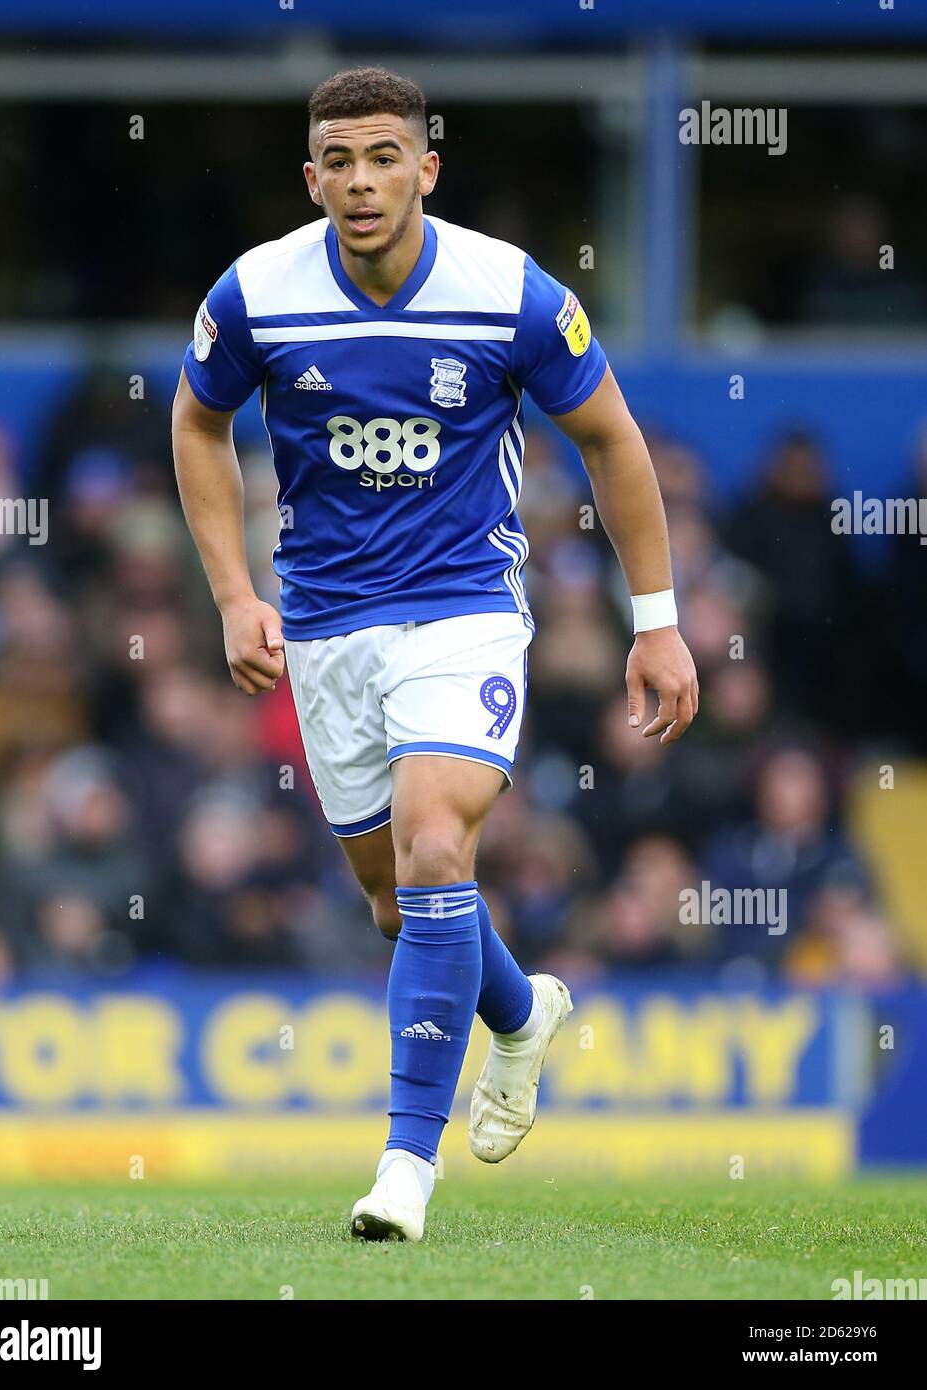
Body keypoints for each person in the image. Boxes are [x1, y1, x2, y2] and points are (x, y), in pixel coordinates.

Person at [172, 66, 698, 1241]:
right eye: (338, 164)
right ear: (311, 180)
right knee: (397, 902)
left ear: (425, 167)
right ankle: (519, 1013)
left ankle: (405, 1165)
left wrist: (654, 618)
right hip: (322, 626)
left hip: (462, 610)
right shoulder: (257, 292)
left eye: (383, 158)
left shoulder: (506, 291)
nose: (361, 184)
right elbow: (196, 420)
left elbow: (610, 438)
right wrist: (228, 594)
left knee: (432, 841)